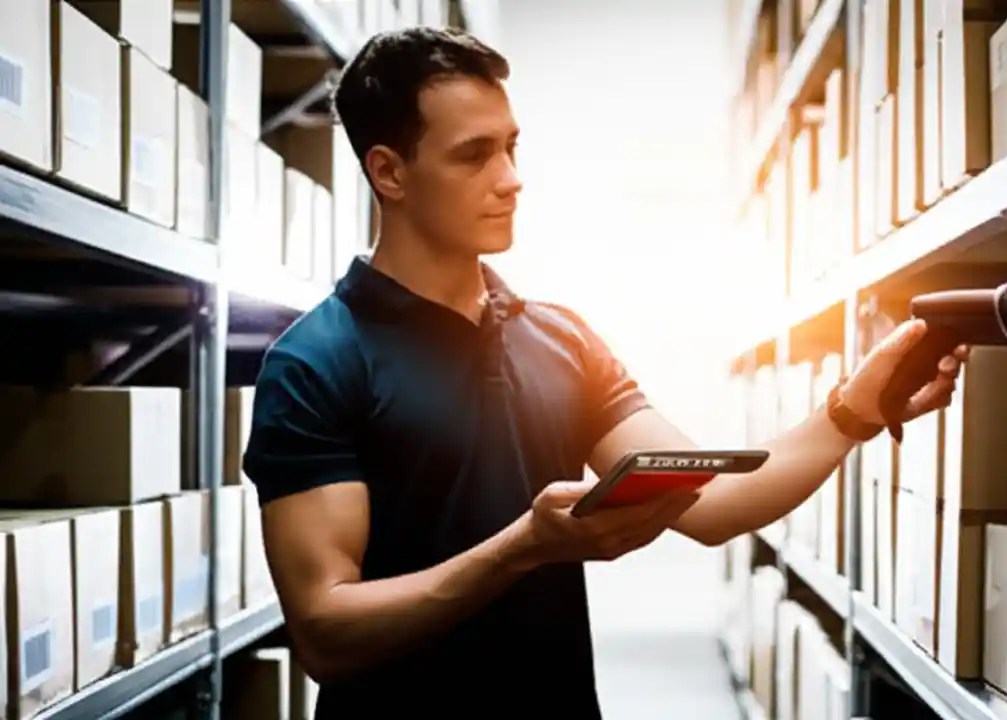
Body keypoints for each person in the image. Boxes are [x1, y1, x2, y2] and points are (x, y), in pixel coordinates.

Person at [241, 26, 967, 719]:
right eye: (474, 156)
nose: (511, 180)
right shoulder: (315, 362)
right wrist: (520, 549)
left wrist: (851, 413)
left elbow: (714, 506)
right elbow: (325, 632)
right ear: (389, 172)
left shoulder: (560, 338)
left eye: (512, 147)